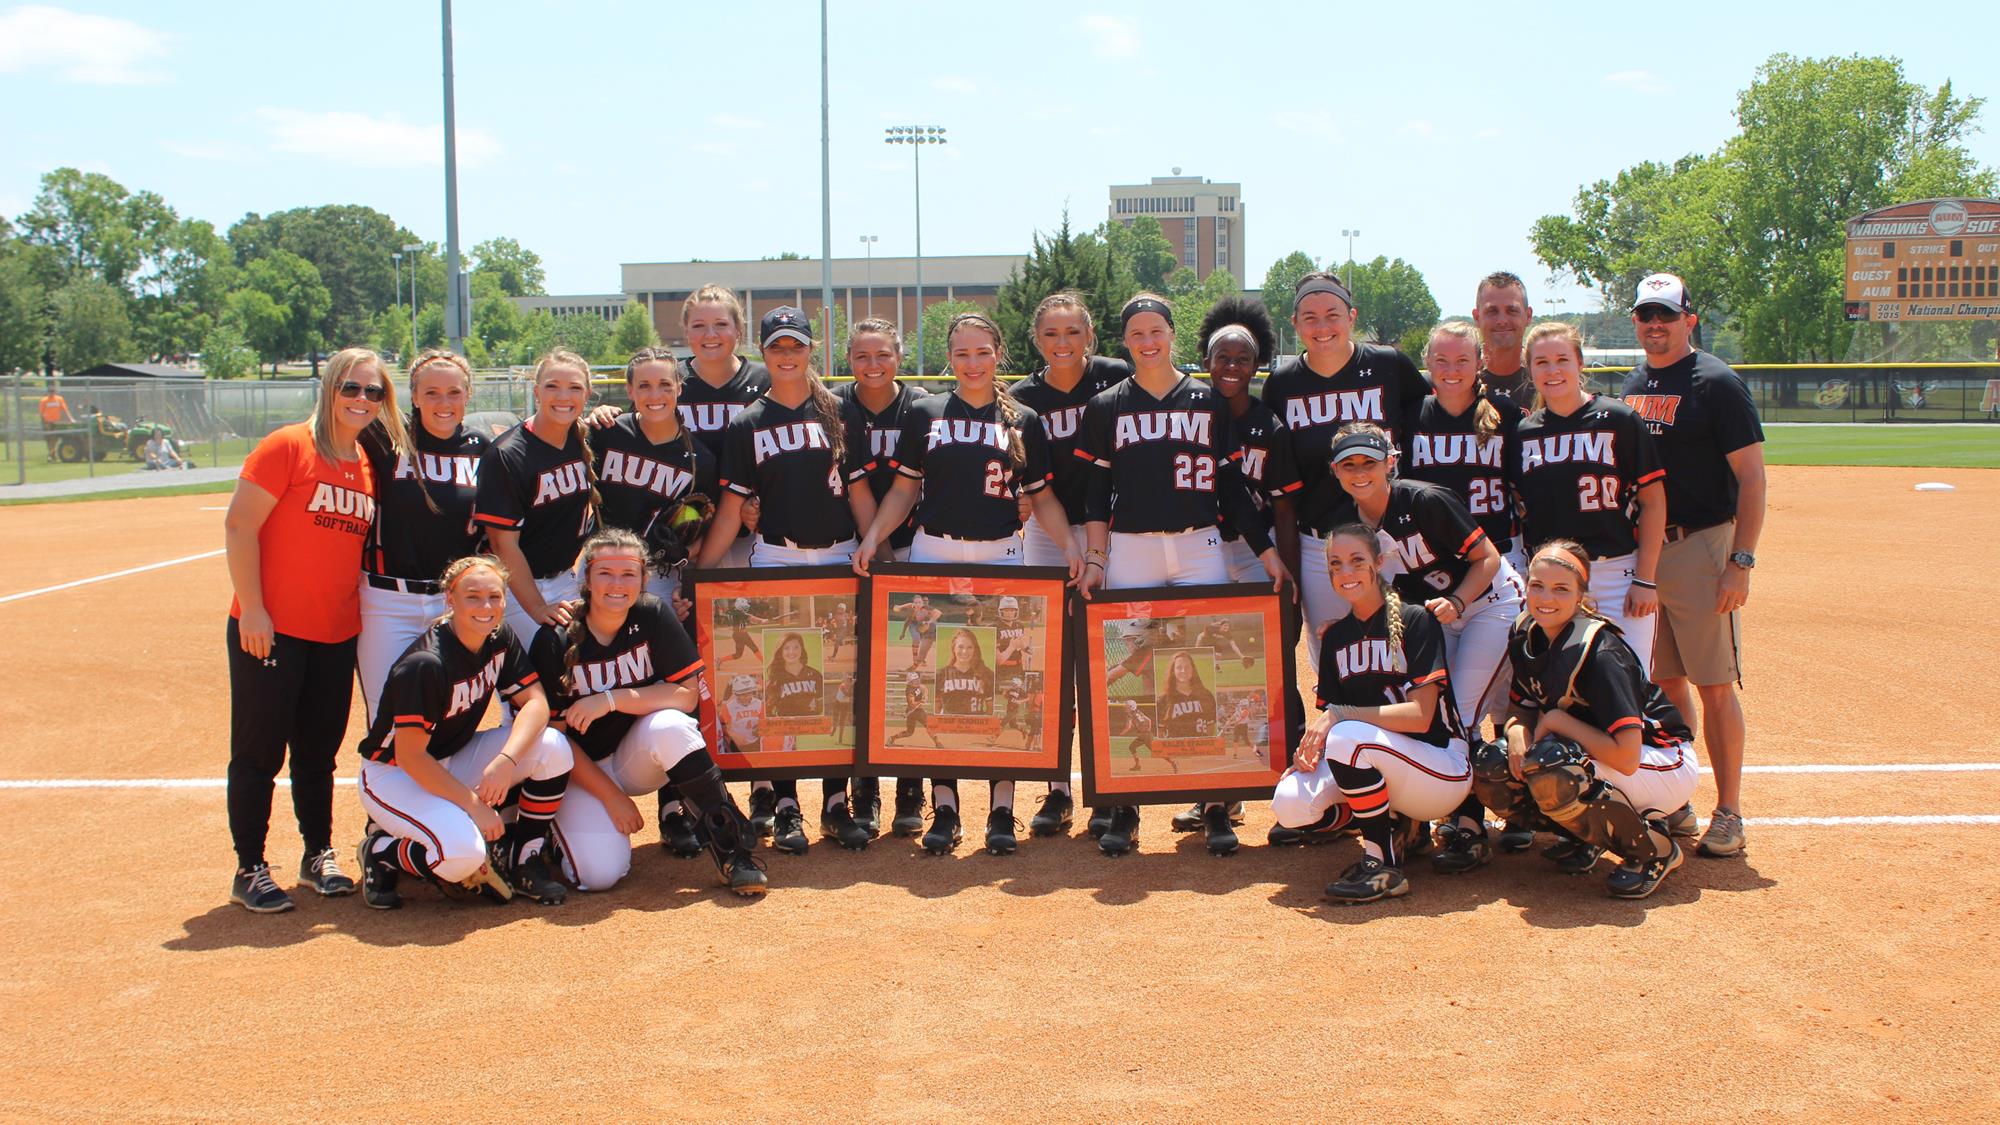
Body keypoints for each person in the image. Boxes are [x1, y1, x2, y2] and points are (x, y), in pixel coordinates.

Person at [854, 310, 1077, 856]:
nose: (972, 363)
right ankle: (946, 806)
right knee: (935, 674)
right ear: (948, 357)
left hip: (1002, 554)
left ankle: (1002, 808)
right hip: (935, 548)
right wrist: (873, 536)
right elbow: (905, 490)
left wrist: (1071, 546)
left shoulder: (1024, 418)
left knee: (1004, 676)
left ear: (998, 353)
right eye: (961, 353)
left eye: (982, 352)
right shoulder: (926, 411)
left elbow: (1042, 496)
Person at [1076, 292, 1285, 858]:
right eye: (1137, 333)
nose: (1148, 342)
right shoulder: (1106, 406)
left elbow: (1232, 488)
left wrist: (1265, 551)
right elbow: (1096, 494)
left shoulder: (1207, 400)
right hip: (1131, 549)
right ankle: (1125, 805)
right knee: (1132, 673)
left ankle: (1215, 801)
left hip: (1199, 545)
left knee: (1203, 667)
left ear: (1172, 334)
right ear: (1125, 341)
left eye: (1157, 331)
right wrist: (1096, 558)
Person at [222, 347, 404, 913]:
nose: (362, 400)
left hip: (335, 631)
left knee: (318, 753)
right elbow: (239, 524)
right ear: (329, 387)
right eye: (351, 388)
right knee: (258, 752)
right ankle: (250, 866)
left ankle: (316, 853)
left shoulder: (369, 463)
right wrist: (253, 608)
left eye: (374, 392)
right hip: (271, 629)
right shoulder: (288, 446)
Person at [696, 305, 877, 855]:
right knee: (783, 686)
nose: (787, 355)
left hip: (840, 555)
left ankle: (835, 803)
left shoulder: (840, 413)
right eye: (777, 346)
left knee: (836, 682)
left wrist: (880, 556)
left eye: (796, 345)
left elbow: (861, 494)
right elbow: (730, 510)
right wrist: (701, 576)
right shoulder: (748, 421)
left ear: (810, 350)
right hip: (776, 558)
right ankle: (786, 804)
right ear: (764, 352)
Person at [1327, 422, 1522, 871]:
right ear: (1335, 471)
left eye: (1369, 463)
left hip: (1490, 602)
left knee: (1462, 710)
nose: (1360, 473)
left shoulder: (1424, 500)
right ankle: (1417, 821)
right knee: (1426, 703)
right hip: (1439, 615)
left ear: (1390, 463)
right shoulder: (1354, 524)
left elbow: (1489, 558)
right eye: (1349, 464)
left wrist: (1458, 600)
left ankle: (1469, 829)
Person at [1621, 272, 1767, 858]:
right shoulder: (1634, 384)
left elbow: (1752, 477)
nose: (1655, 325)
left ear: (1690, 318)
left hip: (1705, 546)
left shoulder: (1715, 382)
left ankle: (1728, 811)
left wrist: (1741, 560)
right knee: (1664, 682)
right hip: (1649, 552)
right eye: (1645, 315)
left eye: (1666, 315)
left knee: (1714, 684)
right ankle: (1679, 798)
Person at [531, 530, 764, 896]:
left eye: (629, 574)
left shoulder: (652, 613)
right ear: (586, 578)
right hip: (578, 772)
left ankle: (731, 848)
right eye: (606, 573)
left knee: (672, 725)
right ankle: (549, 832)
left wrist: (610, 699)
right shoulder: (554, 638)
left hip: (634, 756)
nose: (617, 584)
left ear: (643, 579)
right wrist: (610, 796)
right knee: (600, 875)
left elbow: (686, 696)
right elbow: (554, 741)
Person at [1469, 540, 1699, 899]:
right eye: (1537, 585)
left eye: (1562, 589)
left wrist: (1559, 721)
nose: (1546, 597)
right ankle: (1587, 836)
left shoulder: (1601, 652)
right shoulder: (1527, 631)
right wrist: (1515, 732)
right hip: (1601, 756)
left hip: (1662, 760)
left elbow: (1626, 756)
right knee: (1492, 765)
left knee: (1553, 766)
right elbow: (1522, 708)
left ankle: (1654, 850)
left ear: (1581, 596)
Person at [352, 555, 573, 909]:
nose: (486, 606)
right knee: (461, 858)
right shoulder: (426, 664)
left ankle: (523, 859)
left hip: (452, 758)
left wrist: (506, 759)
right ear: (450, 599)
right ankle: (381, 851)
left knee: (553, 747)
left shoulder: (497, 635)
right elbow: (410, 757)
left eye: (494, 596)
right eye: (473, 597)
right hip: (395, 775)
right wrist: (475, 806)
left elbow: (536, 703)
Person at [1270, 524, 1472, 904]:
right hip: (1383, 763)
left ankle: (1382, 862)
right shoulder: (1336, 637)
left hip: (1441, 769)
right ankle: (1394, 823)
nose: (1346, 572)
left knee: (1348, 736)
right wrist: (1308, 753)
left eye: (1356, 561)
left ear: (1378, 563)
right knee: (1289, 803)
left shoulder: (1415, 620)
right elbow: (1338, 722)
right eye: (1335, 564)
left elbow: (1421, 717)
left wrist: (1339, 715)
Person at [1261, 273, 1432, 676]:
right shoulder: (1283, 384)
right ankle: (1341, 734)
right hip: (1319, 543)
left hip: (1389, 537)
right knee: (1333, 650)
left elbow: (1433, 415)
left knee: (1401, 644)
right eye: (1310, 317)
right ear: (1295, 324)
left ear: (1352, 317)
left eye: (1333, 315)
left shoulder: (1388, 365)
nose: (1323, 327)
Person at [1008, 291, 1132, 838]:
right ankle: (1057, 789)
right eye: (1051, 334)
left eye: (1073, 332)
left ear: (1090, 336)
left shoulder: (1116, 378)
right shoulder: (1019, 396)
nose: (1063, 343)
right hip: (1045, 531)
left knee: (1111, 656)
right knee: (1050, 658)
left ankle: (1109, 787)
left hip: (1114, 526)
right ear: (1037, 340)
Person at [589, 346, 720, 863]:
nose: (655, 395)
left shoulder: (699, 458)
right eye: (644, 386)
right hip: (600, 577)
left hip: (661, 581)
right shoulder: (606, 434)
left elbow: (700, 523)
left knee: (662, 685)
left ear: (679, 389)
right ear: (629, 391)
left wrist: (686, 563)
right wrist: (590, 415)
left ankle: (673, 807)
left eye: (664, 385)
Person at [1513, 322, 1665, 675]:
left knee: (1631, 681)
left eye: (1562, 359)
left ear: (1580, 363)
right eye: (1542, 362)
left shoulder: (1619, 418)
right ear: (1530, 369)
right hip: (1555, 579)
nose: (1553, 370)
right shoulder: (1524, 433)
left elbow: (1653, 501)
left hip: (1616, 573)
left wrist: (1645, 579)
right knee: (1564, 684)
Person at [356, 350, 488, 721]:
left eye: (454, 392)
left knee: (446, 711)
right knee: (386, 711)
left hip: (454, 603)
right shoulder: (384, 439)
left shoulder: (481, 449)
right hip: (387, 600)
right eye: (431, 393)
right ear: (413, 396)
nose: (443, 403)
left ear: (467, 395)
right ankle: (382, 780)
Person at [474, 350, 599, 646]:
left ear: (587, 394)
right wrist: (537, 608)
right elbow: (503, 545)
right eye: (552, 386)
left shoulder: (584, 439)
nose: (563, 396)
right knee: (534, 675)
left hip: (566, 579)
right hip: (518, 587)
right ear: (536, 392)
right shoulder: (508, 454)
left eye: (575, 388)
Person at [677, 284, 771, 567]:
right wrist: (607, 413)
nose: (710, 335)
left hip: (749, 528)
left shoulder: (766, 380)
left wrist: (760, 501)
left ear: (738, 330)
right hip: (686, 528)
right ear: (686, 332)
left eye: (721, 324)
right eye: (699, 325)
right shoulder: (670, 379)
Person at [1471, 271, 1536, 411]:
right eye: (1492, 311)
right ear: (1477, 317)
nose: (1502, 321)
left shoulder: (1546, 379)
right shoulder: (1459, 379)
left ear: (1528, 315)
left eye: (1512, 310)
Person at [1156, 652, 1216, 737]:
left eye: (1187, 667)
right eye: (1179, 667)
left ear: (1193, 669)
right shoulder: (1163, 699)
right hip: (1175, 748)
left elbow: (1210, 725)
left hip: (1200, 747)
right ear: (1173, 671)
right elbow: (1160, 731)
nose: (1183, 671)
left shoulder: (1206, 695)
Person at [39, 383, 74, 460]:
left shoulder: (59, 399)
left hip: (57, 422)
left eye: (53, 391)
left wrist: (70, 419)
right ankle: (51, 454)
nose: (51, 392)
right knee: (49, 439)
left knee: (55, 438)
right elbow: (41, 413)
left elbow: (65, 410)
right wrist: (43, 423)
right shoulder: (44, 400)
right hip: (48, 422)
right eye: (50, 391)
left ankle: (52, 454)